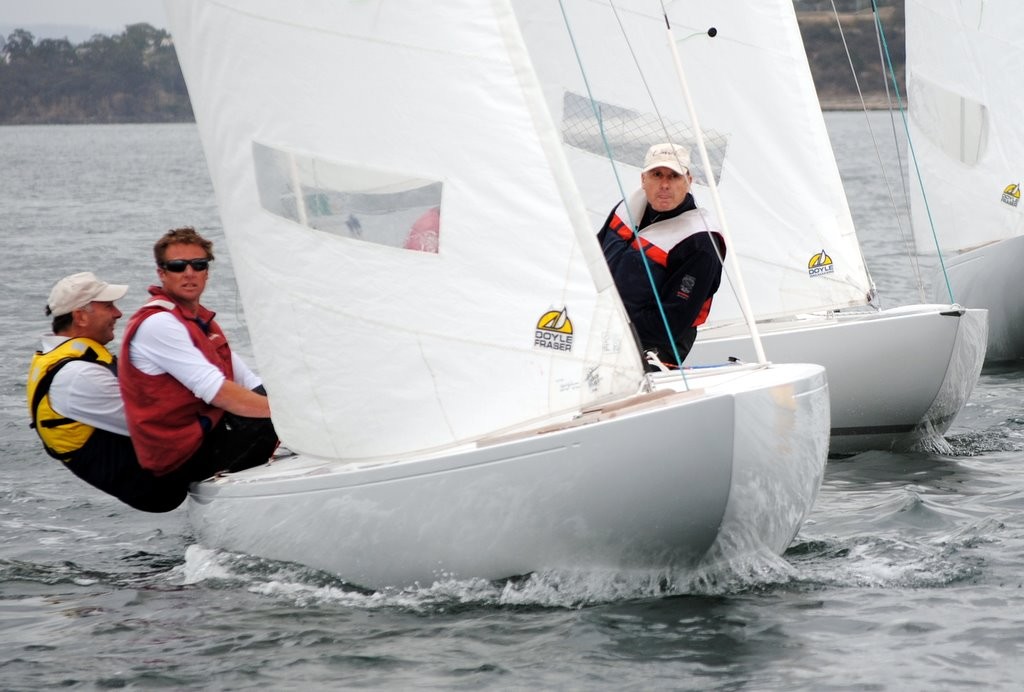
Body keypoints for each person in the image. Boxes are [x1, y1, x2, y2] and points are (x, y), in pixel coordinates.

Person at [119, 227, 279, 481]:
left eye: (198, 265)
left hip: (210, 435)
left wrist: (295, 403)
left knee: (287, 392)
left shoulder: (200, 321)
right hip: (181, 457)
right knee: (277, 416)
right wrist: (289, 417)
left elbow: (248, 382)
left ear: (207, 272)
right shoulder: (158, 324)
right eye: (178, 266)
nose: (189, 273)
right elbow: (218, 391)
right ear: (162, 273)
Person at [27, 272, 193, 512]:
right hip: (158, 485)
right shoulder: (77, 375)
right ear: (80, 316)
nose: (118, 313)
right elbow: (158, 423)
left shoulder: (69, 361)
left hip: (162, 473)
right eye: (108, 306)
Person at [596, 142, 726, 368]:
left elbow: (669, 324)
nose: (665, 185)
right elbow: (592, 260)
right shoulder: (627, 208)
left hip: (655, 348)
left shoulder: (700, 243)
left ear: (689, 181)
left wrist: (608, 325)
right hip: (599, 331)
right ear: (643, 179)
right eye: (657, 175)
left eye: (674, 176)